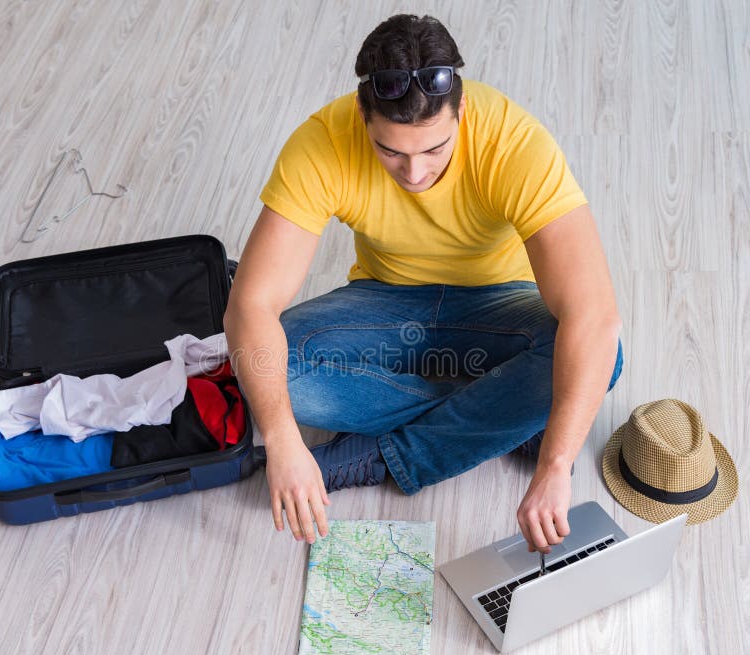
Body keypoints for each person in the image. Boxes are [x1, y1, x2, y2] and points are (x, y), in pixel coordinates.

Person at [223, 14, 623, 556]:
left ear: (462, 110)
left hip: (498, 303)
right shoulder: (322, 142)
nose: (414, 174)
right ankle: (507, 416)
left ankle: (387, 457)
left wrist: (556, 464)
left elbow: (594, 314)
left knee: (603, 352)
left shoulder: (514, 142)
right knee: (273, 368)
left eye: (435, 150)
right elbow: (249, 306)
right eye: (391, 151)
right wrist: (282, 440)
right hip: (386, 299)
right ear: (362, 114)